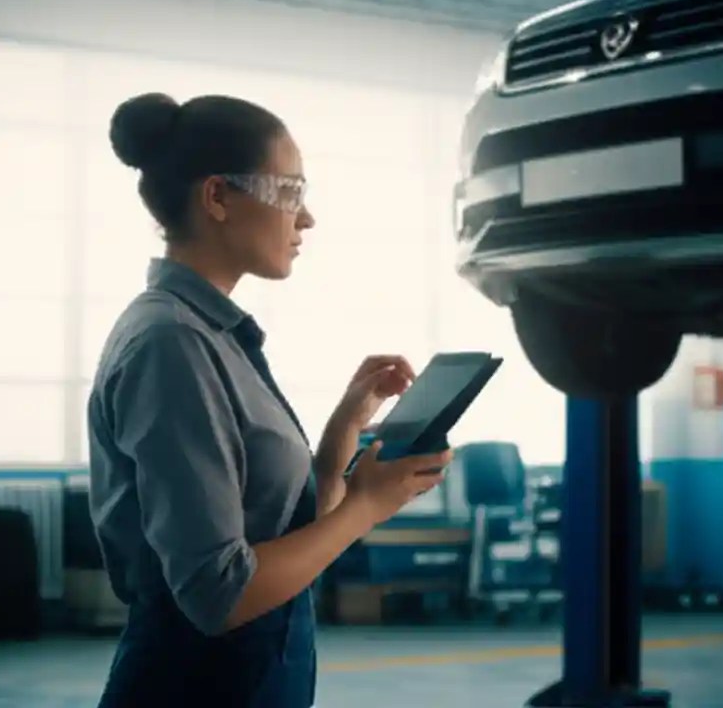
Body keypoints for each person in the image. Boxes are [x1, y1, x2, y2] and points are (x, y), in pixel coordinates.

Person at [87, 91, 454, 708]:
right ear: (218, 198)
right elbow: (219, 593)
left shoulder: (211, 334)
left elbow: (284, 535)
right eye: (289, 192)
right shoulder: (172, 342)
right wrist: (365, 509)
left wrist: (341, 438)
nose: (305, 218)